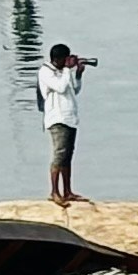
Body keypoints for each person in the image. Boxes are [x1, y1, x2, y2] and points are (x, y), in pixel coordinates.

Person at [37, 43, 92, 206]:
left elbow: (73, 90)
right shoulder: (46, 72)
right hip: (57, 119)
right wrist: (68, 69)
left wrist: (78, 75)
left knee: (67, 156)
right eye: (65, 59)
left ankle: (67, 191)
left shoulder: (63, 72)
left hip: (70, 118)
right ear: (58, 59)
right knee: (59, 155)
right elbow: (60, 87)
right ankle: (54, 192)